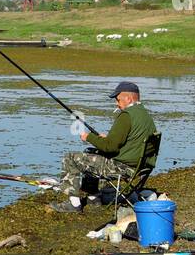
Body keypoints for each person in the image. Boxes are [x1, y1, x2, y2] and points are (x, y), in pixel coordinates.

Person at [52, 81, 158, 212]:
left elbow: (110, 148)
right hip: (140, 167)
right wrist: (106, 139)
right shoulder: (144, 115)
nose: (116, 104)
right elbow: (128, 141)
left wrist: (89, 137)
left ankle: (74, 204)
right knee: (90, 152)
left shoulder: (126, 116)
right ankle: (93, 198)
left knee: (70, 158)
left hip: (123, 167)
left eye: (118, 100)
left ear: (128, 99)